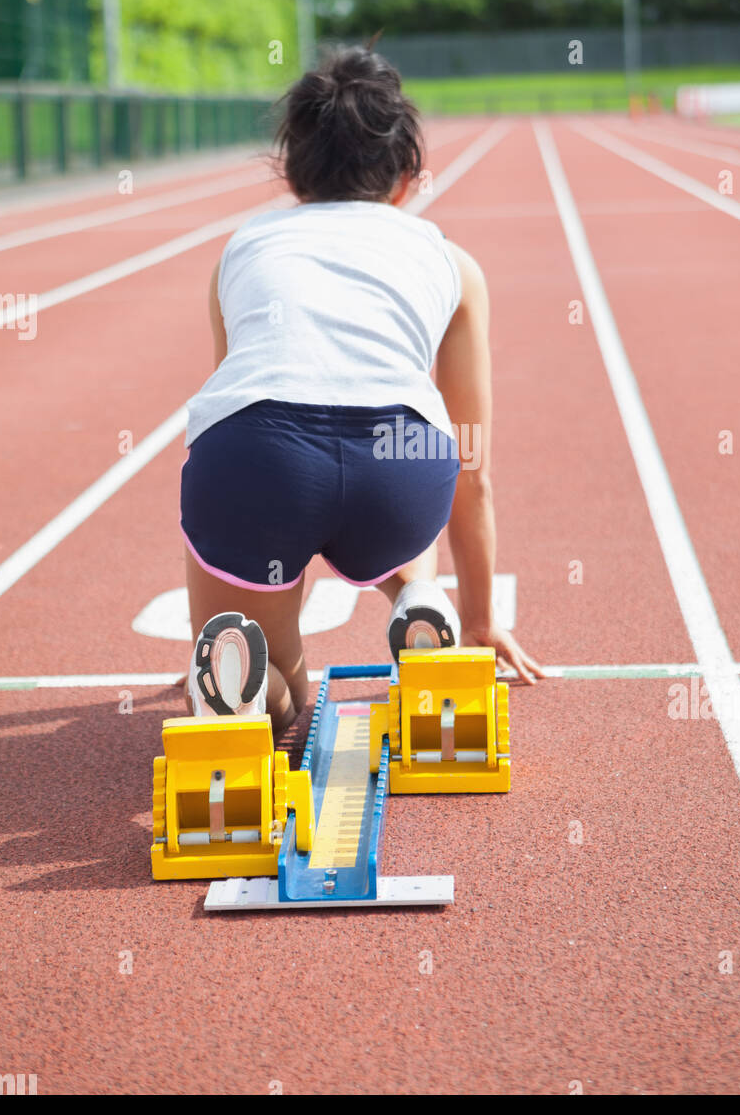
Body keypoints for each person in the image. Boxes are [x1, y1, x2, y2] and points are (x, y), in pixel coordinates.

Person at [179, 46, 543, 736]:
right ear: (407, 176)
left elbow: (233, 400)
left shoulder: (244, 247)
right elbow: (474, 468)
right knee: (403, 452)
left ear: (290, 171)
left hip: (257, 461)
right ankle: (416, 598)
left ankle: (249, 681)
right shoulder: (451, 261)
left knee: (274, 678)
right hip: (398, 470)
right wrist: (482, 621)